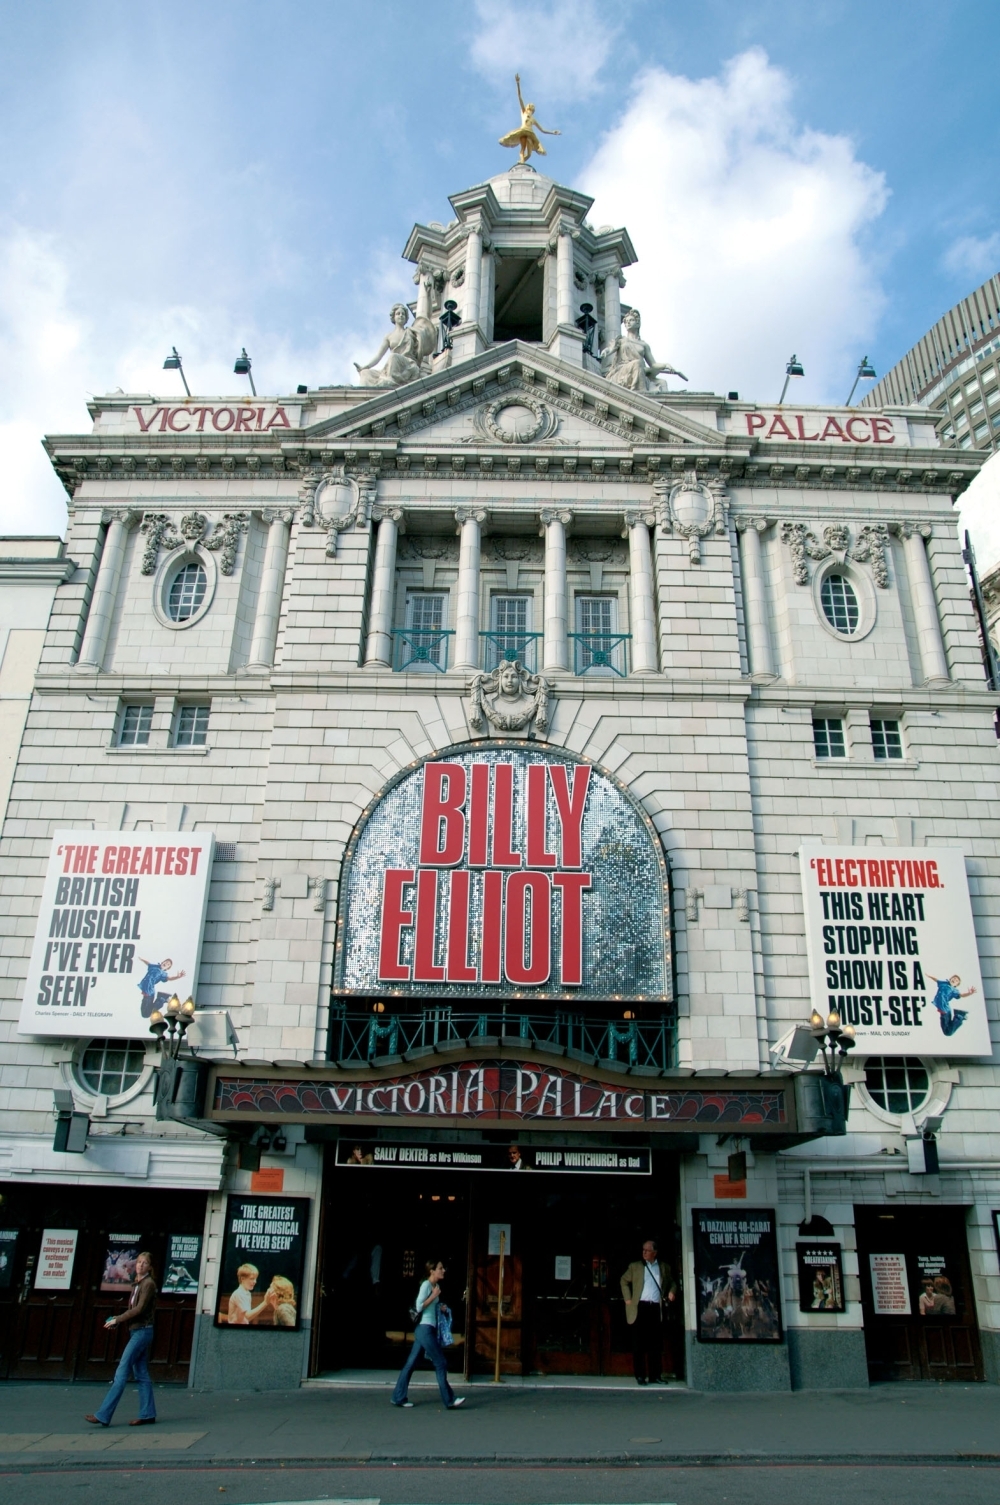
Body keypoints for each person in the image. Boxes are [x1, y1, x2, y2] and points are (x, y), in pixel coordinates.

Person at [85, 1251, 158, 1427]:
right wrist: (119, 1321)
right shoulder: (137, 1284)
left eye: (145, 1263)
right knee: (141, 1374)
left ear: (150, 1267)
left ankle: (103, 1415)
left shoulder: (148, 1284)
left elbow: (139, 1309)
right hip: (137, 1331)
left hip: (142, 1332)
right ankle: (148, 1414)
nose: (140, 1265)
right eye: (139, 1262)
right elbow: (134, 1310)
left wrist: (118, 1318)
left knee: (121, 1371)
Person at [391, 1259, 465, 1409]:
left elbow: (430, 1306)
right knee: (441, 1362)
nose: (443, 1270)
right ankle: (449, 1399)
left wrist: (440, 1306)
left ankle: (398, 1397)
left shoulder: (435, 1286)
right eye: (440, 1268)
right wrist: (433, 1296)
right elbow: (419, 1306)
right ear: (432, 1271)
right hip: (424, 1328)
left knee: (411, 1363)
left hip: (428, 1328)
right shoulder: (426, 1285)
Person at [620, 1238, 678, 1385]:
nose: (644, 1252)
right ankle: (640, 1375)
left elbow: (672, 1282)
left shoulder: (663, 1267)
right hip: (640, 1307)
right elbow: (623, 1280)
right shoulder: (636, 1267)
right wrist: (628, 1299)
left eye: (647, 1250)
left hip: (655, 1308)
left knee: (655, 1345)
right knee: (638, 1344)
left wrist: (672, 1292)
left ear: (655, 1252)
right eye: (643, 1250)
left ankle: (655, 1376)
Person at [498, 73, 561, 164]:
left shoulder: (533, 119)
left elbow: (542, 130)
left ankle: (521, 162)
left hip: (530, 133)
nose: (531, 107)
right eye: (530, 106)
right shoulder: (524, 112)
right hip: (523, 131)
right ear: (528, 107)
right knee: (523, 149)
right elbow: (520, 97)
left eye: (532, 107)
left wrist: (553, 132)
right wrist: (518, 83)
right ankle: (521, 161)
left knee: (530, 154)